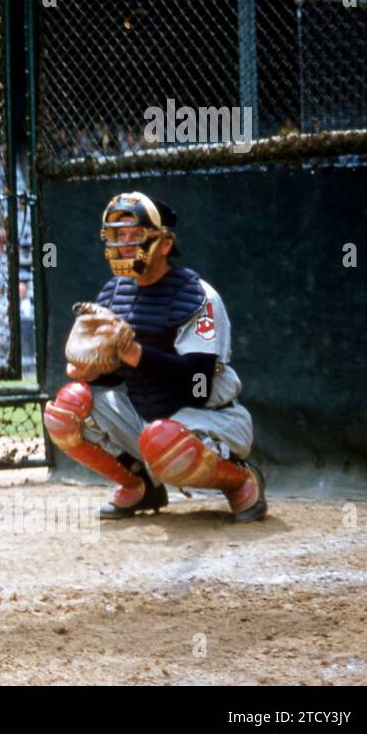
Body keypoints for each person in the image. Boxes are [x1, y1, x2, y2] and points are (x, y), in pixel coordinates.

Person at [42, 193, 266, 522]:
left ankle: (239, 479)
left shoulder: (198, 297)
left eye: (136, 235)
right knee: (65, 409)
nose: (125, 243)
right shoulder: (114, 292)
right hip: (146, 418)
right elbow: (122, 377)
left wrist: (135, 354)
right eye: (119, 235)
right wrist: (92, 371)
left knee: (160, 440)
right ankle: (140, 487)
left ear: (164, 244)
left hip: (208, 417)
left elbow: (199, 385)